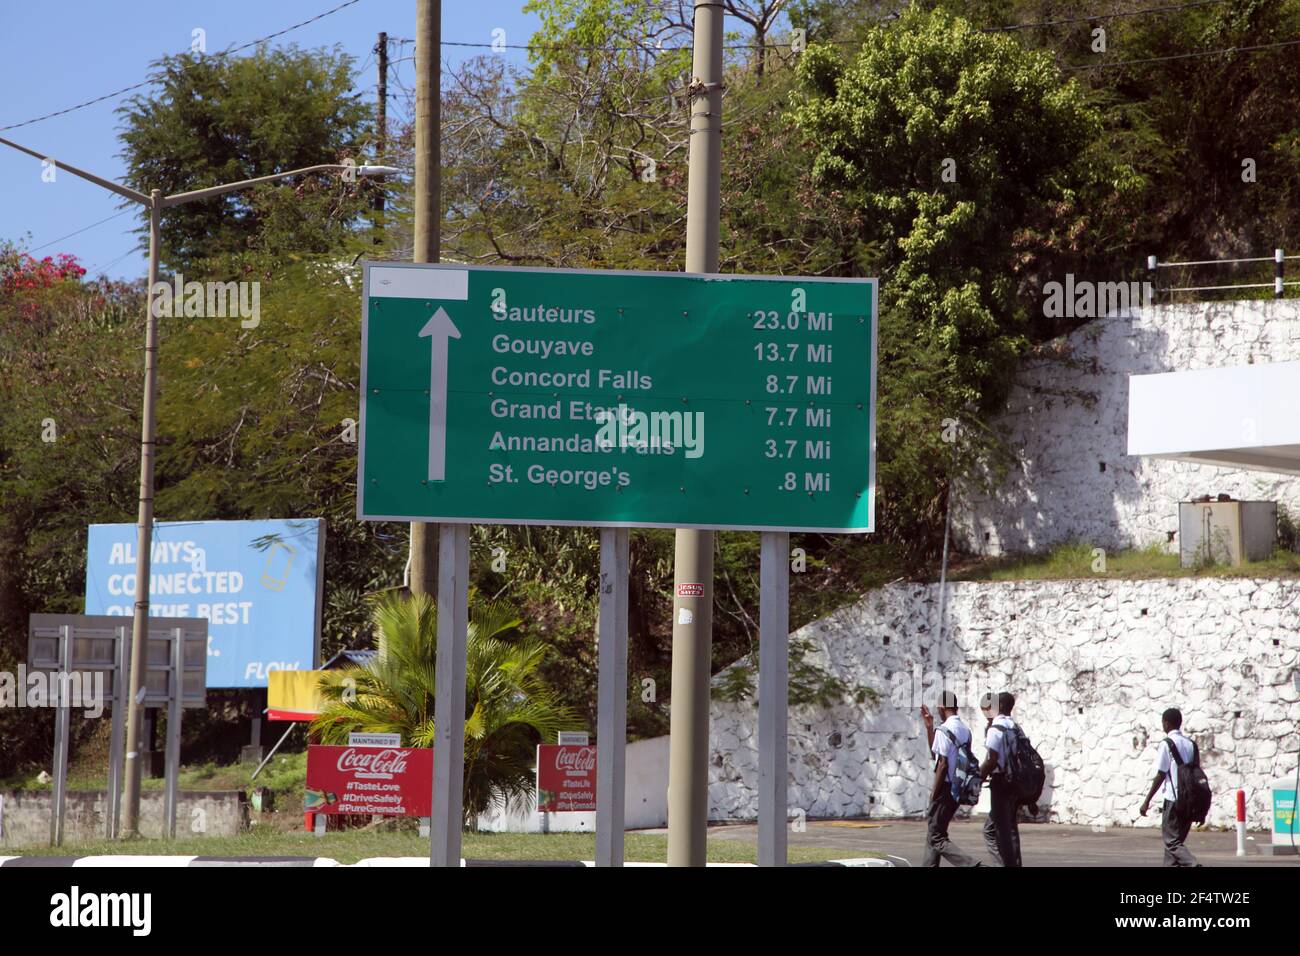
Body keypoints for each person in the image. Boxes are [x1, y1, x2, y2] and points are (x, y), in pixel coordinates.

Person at [920, 690, 981, 867]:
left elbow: (942, 764)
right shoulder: (965, 731)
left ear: (941, 707)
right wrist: (929, 728)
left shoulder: (944, 729)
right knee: (935, 833)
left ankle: (971, 864)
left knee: (936, 836)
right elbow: (937, 753)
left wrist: (933, 794)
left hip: (944, 789)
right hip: (957, 789)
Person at [1138, 707, 1201, 867]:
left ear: (1166, 723)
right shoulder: (1191, 745)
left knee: (1172, 842)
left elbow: (1161, 774)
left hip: (1173, 801)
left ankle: (1193, 864)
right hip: (1189, 801)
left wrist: (1147, 801)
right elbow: (1196, 775)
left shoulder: (1167, 744)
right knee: (1173, 848)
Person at [978, 691, 1022, 867]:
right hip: (1015, 785)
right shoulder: (1015, 727)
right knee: (1010, 829)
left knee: (992, 832)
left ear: (1000, 707)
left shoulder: (996, 729)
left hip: (1001, 784)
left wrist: (977, 780)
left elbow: (992, 759)